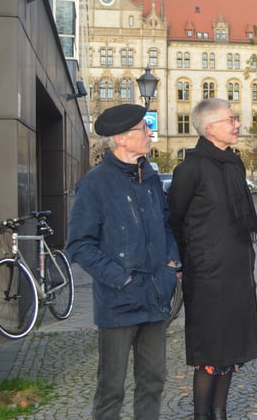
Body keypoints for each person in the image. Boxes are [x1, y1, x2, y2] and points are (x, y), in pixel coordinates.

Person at [66, 104, 180, 420]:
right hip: (118, 303)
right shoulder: (95, 183)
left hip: (156, 297)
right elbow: (79, 244)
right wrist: (121, 278)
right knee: (111, 389)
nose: (150, 133)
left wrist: (172, 264)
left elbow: (166, 224)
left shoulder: (151, 178)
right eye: (143, 129)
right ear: (121, 138)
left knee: (153, 382)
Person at [167, 98, 257, 420]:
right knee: (209, 352)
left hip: (237, 272)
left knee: (232, 349)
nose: (237, 123)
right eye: (231, 119)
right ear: (210, 128)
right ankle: (202, 415)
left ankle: (220, 411)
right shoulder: (190, 169)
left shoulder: (234, 164)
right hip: (207, 277)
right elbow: (174, 221)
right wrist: (183, 263)